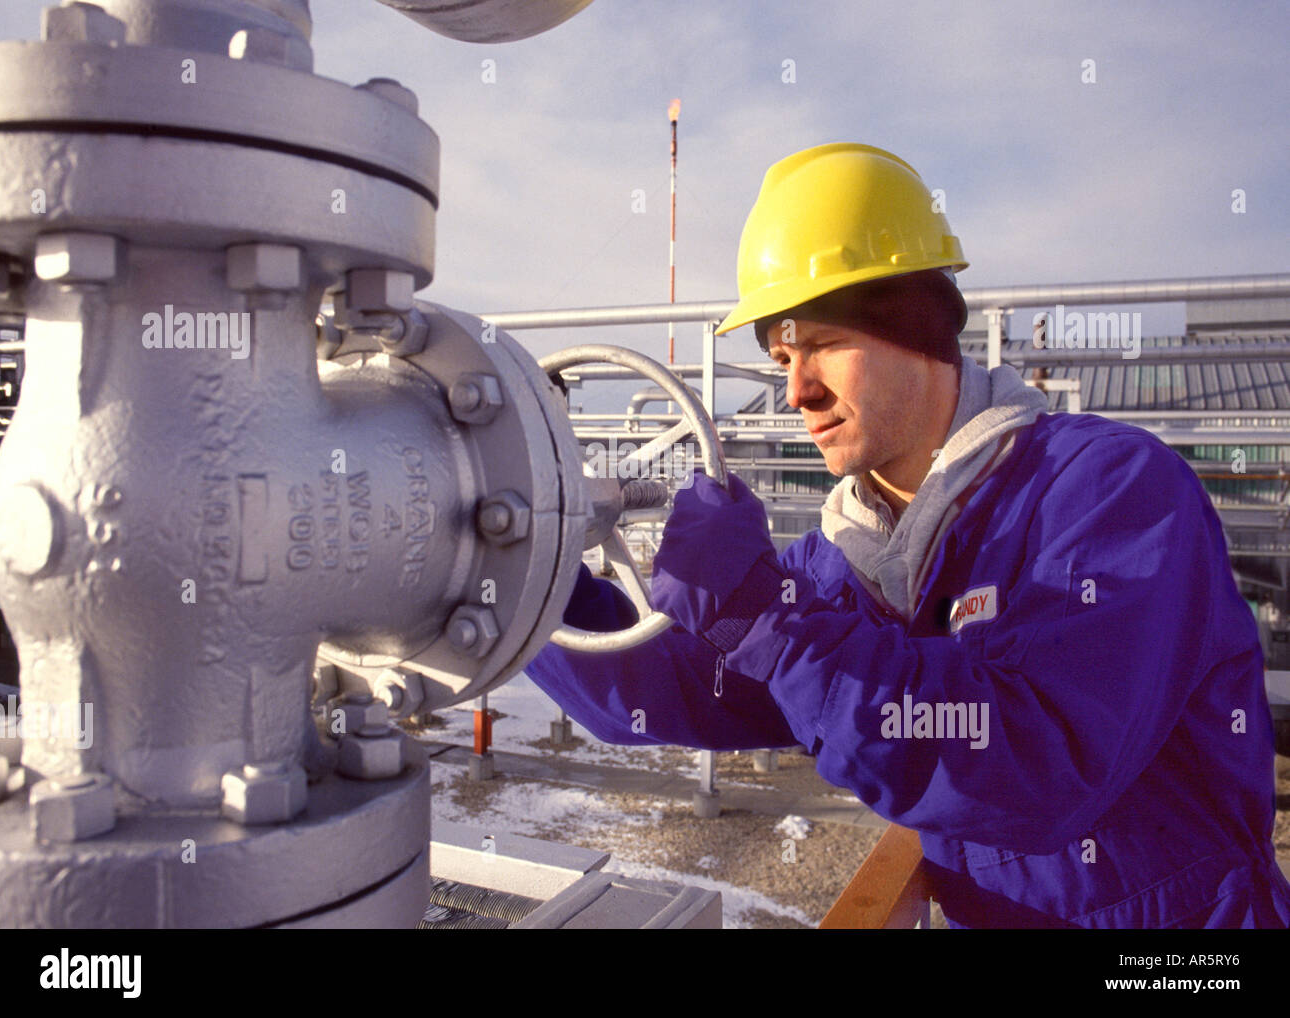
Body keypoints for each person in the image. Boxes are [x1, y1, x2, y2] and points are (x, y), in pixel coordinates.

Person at [525, 143, 1290, 929]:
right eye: (782, 355)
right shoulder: (847, 557)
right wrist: (529, 582)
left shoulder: (1109, 494)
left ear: (918, 331)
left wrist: (764, 617)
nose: (796, 390)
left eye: (820, 342)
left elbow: (1036, 765)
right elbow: (684, 688)